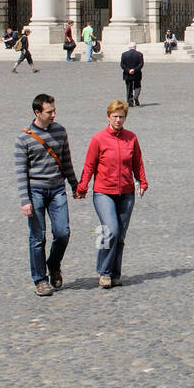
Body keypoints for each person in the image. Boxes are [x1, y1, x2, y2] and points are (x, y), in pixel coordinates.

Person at [77, 100, 149, 289]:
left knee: (121, 235)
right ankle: (104, 271)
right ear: (108, 117)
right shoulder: (98, 139)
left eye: (121, 116)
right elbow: (89, 165)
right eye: (115, 116)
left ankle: (115, 273)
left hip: (126, 192)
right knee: (111, 231)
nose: (118, 120)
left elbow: (138, 162)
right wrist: (82, 187)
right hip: (104, 192)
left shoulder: (131, 138)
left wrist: (142, 181)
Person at [16, 93, 80, 297]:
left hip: (57, 189)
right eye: (49, 111)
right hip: (35, 191)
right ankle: (40, 279)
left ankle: (53, 264)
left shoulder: (60, 132)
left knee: (63, 232)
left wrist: (74, 185)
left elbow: (67, 160)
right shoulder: (24, 138)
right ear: (37, 112)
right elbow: (20, 172)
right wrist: (25, 201)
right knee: (37, 237)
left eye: (54, 110)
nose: (54, 114)